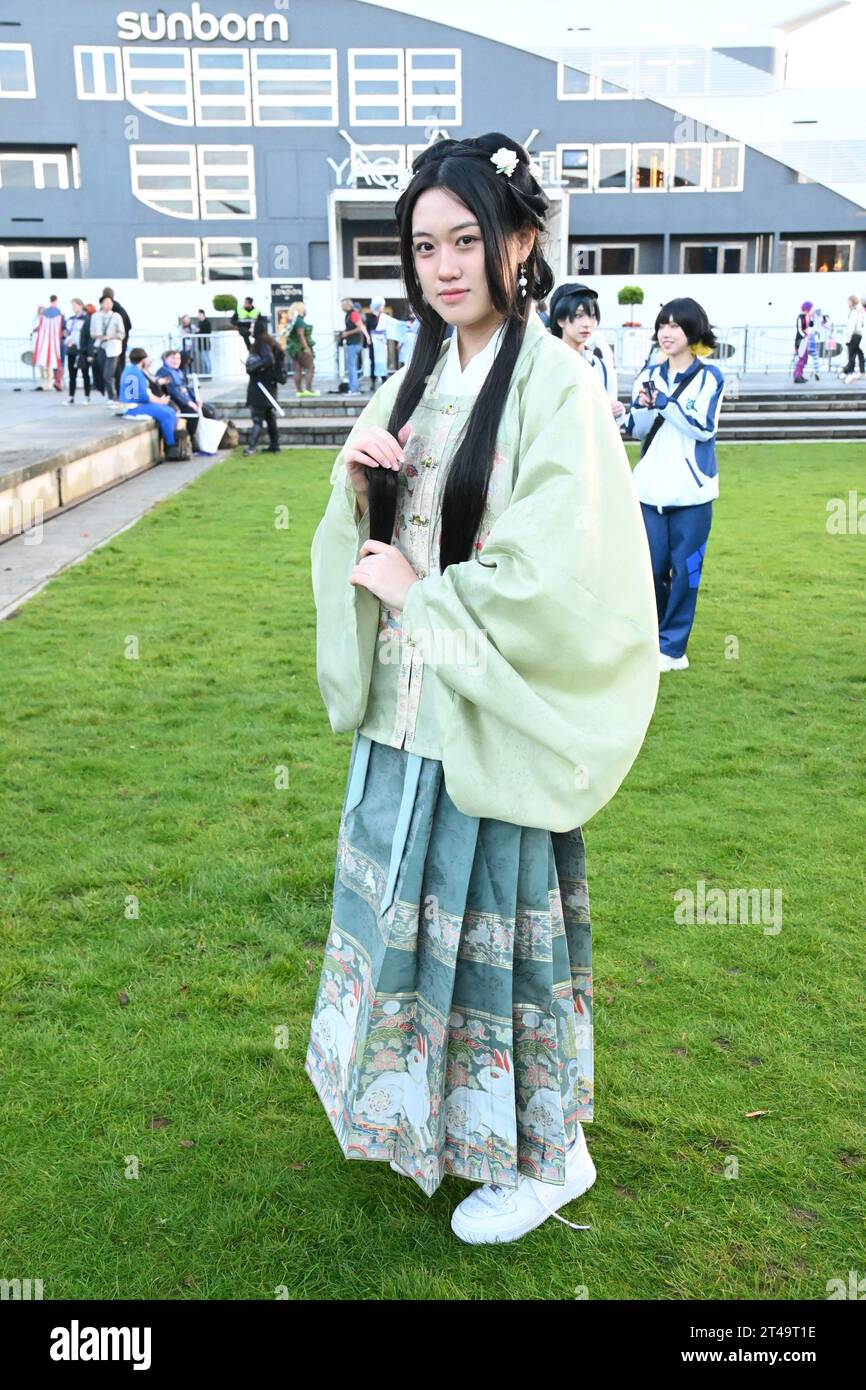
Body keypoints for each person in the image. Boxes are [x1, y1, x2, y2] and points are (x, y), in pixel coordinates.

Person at [306, 132, 659, 1245]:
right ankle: (441, 1124)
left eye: (467, 239)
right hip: (404, 719)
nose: (445, 267)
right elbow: (367, 536)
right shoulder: (410, 381)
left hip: (483, 716)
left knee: (499, 945)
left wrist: (422, 592)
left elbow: (560, 575)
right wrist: (357, 490)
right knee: (416, 936)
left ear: (520, 240)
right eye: (424, 247)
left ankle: (553, 1156)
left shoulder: (557, 387)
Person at [623, 296, 723, 673]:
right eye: (662, 325)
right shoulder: (648, 376)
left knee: (686, 572)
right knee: (650, 570)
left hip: (692, 495)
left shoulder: (710, 377)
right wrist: (643, 407)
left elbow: (703, 427)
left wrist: (664, 403)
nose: (667, 333)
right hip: (649, 492)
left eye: (675, 325)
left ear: (693, 331)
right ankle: (657, 639)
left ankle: (673, 648)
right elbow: (636, 430)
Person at [548, 282, 625, 421]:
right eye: (579, 315)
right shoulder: (547, 364)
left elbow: (612, 416)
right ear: (560, 320)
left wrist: (616, 411)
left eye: (592, 316)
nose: (587, 324)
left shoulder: (601, 367)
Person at [119, 347, 178, 449]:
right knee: (167, 414)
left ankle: (170, 440)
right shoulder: (137, 373)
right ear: (143, 360)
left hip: (133, 404)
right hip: (134, 407)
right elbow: (144, 396)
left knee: (170, 411)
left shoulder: (130, 369)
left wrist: (160, 401)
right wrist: (161, 401)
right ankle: (171, 445)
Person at [243, 323, 286, 455]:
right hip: (268, 385)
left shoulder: (262, 343)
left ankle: (251, 447)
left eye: (252, 327)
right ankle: (275, 445)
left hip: (261, 387)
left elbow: (268, 360)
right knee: (269, 417)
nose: (251, 329)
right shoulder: (267, 342)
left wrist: (252, 367)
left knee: (257, 418)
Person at [156, 348, 202, 447]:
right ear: (165, 359)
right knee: (193, 414)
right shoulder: (165, 372)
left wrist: (196, 399)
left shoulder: (178, 372)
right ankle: (192, 441)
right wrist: (189, 403)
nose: (176, 361)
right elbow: (174, 391)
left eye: (178, 358)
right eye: (173, 358)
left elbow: (186, 388)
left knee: (208, 410)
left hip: (185, 400)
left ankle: (204, 440)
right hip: (176, 403)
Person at [90, 295, 125, 402]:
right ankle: (112, 394)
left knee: (108, 374)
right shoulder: (95, 316)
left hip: (113, 347)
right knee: (104, 372)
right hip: (100, 345)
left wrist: (110, 337)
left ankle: (112, 396)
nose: (109, 304)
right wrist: (99, 336)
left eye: (110, 302)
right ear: (101, 304)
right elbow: (92, 333)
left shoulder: (116, 316)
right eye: (106, 302)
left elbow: (122, 333)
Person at [100, 286, 132, 395]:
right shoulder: (121, 309)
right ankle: (119, 392)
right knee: (119, 369)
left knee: (111, 370)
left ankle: (114, 392)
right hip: (120, 343)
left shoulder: (109, 311)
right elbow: (129, 326)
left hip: (111, 344)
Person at [337, 296, 370, 394]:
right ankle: (353, 387)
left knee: (351, 367)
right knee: (351, 366)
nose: (341, 307)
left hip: (354, 343)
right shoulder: (349, 314)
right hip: (352, 343)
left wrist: (347, 333)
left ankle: (353, 388)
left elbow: (360, 327)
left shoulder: (354, 314)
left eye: (343, 305)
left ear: (347, 305)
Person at [285, 302, 318, 396]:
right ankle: (309, 390)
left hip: (294, 349)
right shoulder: (299, 321)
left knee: (297, 369)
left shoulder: (293, 320)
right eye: (304, 308)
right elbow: (301, 335)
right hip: (301, 348)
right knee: (310, 367)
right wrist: (306, 348)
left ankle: (299, 391)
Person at [32, 296, 65, 391]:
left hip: (48, 344)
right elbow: (34, 328)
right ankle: (43, 383)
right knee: (42, 365)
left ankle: (51, 383)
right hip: (39, 345)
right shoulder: (38, 319)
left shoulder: (51, 319)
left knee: (49, 364)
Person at [63, 298, 93, 404]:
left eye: (75, 305)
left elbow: (89, 337)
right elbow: (66, 332)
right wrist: (67, 338)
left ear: (80, 305)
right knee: (72, 375)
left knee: (85, 374)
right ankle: (71, 396)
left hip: (82, 351)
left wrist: (89, 353)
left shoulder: (87, 319)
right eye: (72, 306)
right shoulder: (70, 319)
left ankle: (87, 396)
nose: (73, 308)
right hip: (72, 350)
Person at [843, 294, 865, 382]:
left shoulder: (854, 311)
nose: (847, 303)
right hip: (858, 334)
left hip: (854, 335)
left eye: (848, 301)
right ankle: (860, 371)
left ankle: (850, 373)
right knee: (858, 353)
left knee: (851, 355)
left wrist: (848, 339)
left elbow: (851, 326)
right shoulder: (859, 311)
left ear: (852, 302)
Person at [195, 309, 213, 376]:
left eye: (199, 314)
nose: (198, 316)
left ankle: (208, 374)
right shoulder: (200, 323)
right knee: (204, 360)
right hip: (201, 345)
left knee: (206, 360)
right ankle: (206, 374)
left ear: (202, 314)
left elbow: (207, 332)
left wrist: (198, 331)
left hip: (205, 345)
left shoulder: (207, 322)